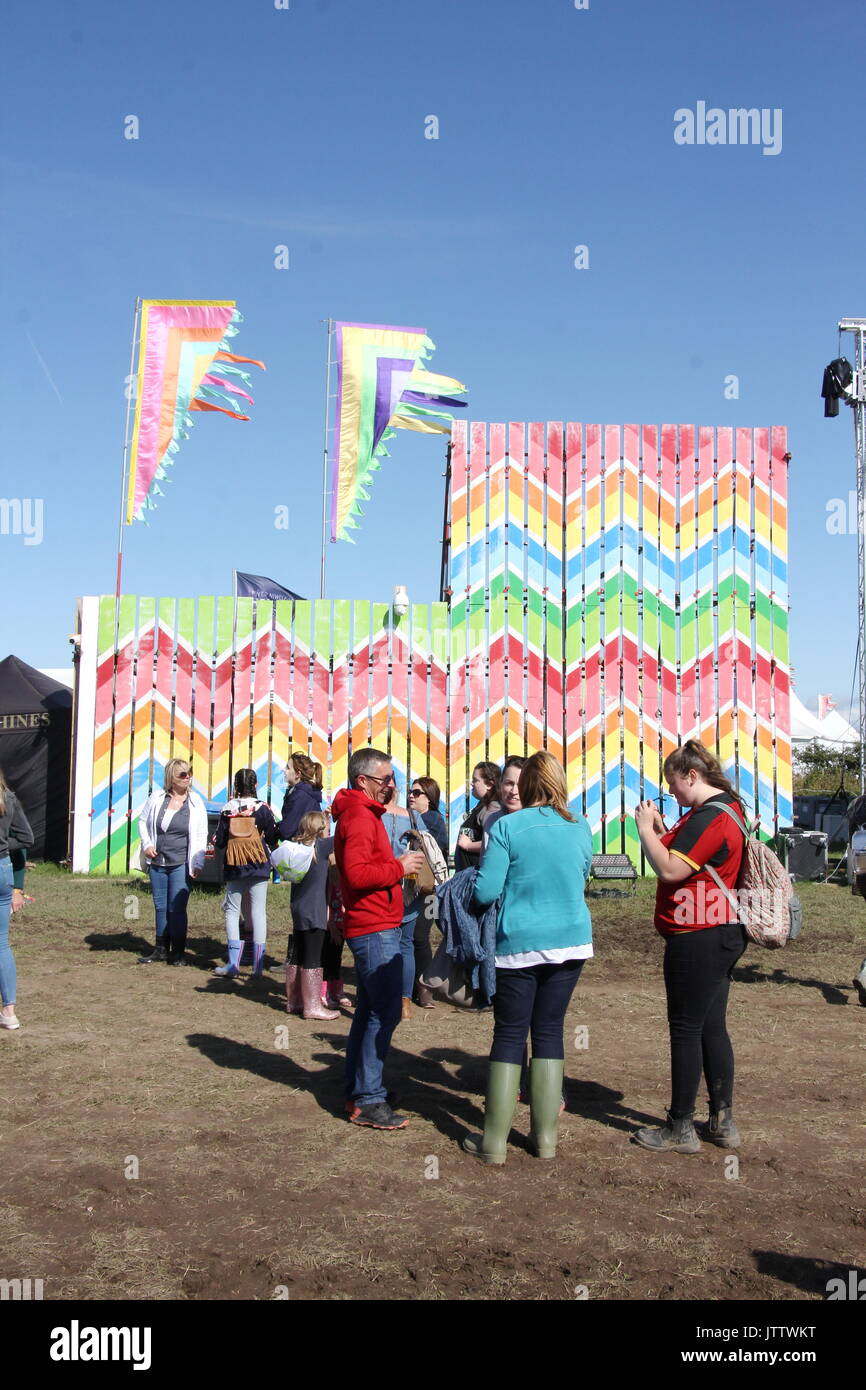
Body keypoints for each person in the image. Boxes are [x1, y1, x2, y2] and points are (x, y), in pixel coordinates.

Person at [464, 751, 593, 1164]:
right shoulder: (581, 827)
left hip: (517, 943)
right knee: (550, 1032)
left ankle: (494, 1143)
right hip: (571, 942)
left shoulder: (508, 827)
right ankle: (545, 1141)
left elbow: (485, 892)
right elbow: (581, 873)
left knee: (509, 1034)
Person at [633, 739, 748, 1154]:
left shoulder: (708, 818)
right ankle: (722, 1119)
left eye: (673, 784)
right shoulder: (729, 809)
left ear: (692, 776)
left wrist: (645, 831)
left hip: (696, 934)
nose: (672, 792)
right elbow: (693, 858)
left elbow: (669, 869)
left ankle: (680, 1126)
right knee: (712, 1026)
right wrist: (665, 832)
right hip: (720, 931)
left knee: (685, 1029)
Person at [332, 748, 424, 1130]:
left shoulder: (364, 813)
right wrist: (398, 868)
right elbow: (355, 874)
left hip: (376, 925)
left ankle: (361, 1090)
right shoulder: (357, 815)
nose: (391, 786)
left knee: (371, 1012)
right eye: (384, 779)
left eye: (392, 779)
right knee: (383, 1014)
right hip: (374, 927)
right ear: (362, 781)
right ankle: (369, 1098)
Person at [137, 758, 208, 965]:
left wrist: (198, 861)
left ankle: (178, 952)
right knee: (160, 906)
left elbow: (201, 833)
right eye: (182, 775)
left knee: (176, 907)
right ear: (171, 778)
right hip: (158, 862)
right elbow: (143, 821)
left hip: (181, 863)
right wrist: (147, 844)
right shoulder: (157, 798)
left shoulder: (195, 802)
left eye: (189, 773)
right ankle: (160, 948)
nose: (188, 778)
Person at [213, 768, 279, 979]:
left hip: (234, 866)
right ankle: (258, 968)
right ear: (256, 784)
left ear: (235, 787)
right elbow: (271, 837)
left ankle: (233, 964)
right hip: (259, 865)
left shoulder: (227, 809)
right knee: (258, 912)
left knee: (232, 912)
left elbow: (220, 841)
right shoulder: (263, 808)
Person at [282, 810, 342, 1019]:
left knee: (297, 955)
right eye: (325, 825)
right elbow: (344, 835)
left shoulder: (296, 847)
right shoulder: (322, 847)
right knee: (313, 958)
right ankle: (313, 1005)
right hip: (315, 910)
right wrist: (336, 816)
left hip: (297, 908)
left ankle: (294, 1000)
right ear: (320, 828)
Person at [406, 777, 449, 1009]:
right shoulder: (428, 819)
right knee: (418, 937)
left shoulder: (429, 819)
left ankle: (424, 989)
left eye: (417, 793)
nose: (411, 796)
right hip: (430, 890)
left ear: (429, 798)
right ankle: (420, 987)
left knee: (419, 936)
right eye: (411, 792)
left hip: (428, 890)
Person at [0, 768, 34, 1030]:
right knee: (1, 945)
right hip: (3, 871)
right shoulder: (8, 797)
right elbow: (25, 838)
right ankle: (9, 1012)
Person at [454, 762, 501, 871]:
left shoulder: (493, 808)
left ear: (489, 784)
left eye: (475, 780)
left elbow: (493, 842)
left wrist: (468, 845)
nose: (472, 784)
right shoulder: (482, 806)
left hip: (475, 876)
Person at [278, 752, 323, 841]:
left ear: (298, 774)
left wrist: (272, 829)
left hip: (301, 848)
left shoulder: (301, 796)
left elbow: (287, 830)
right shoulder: (298, 792)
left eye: (288, 767)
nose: (284, 770)